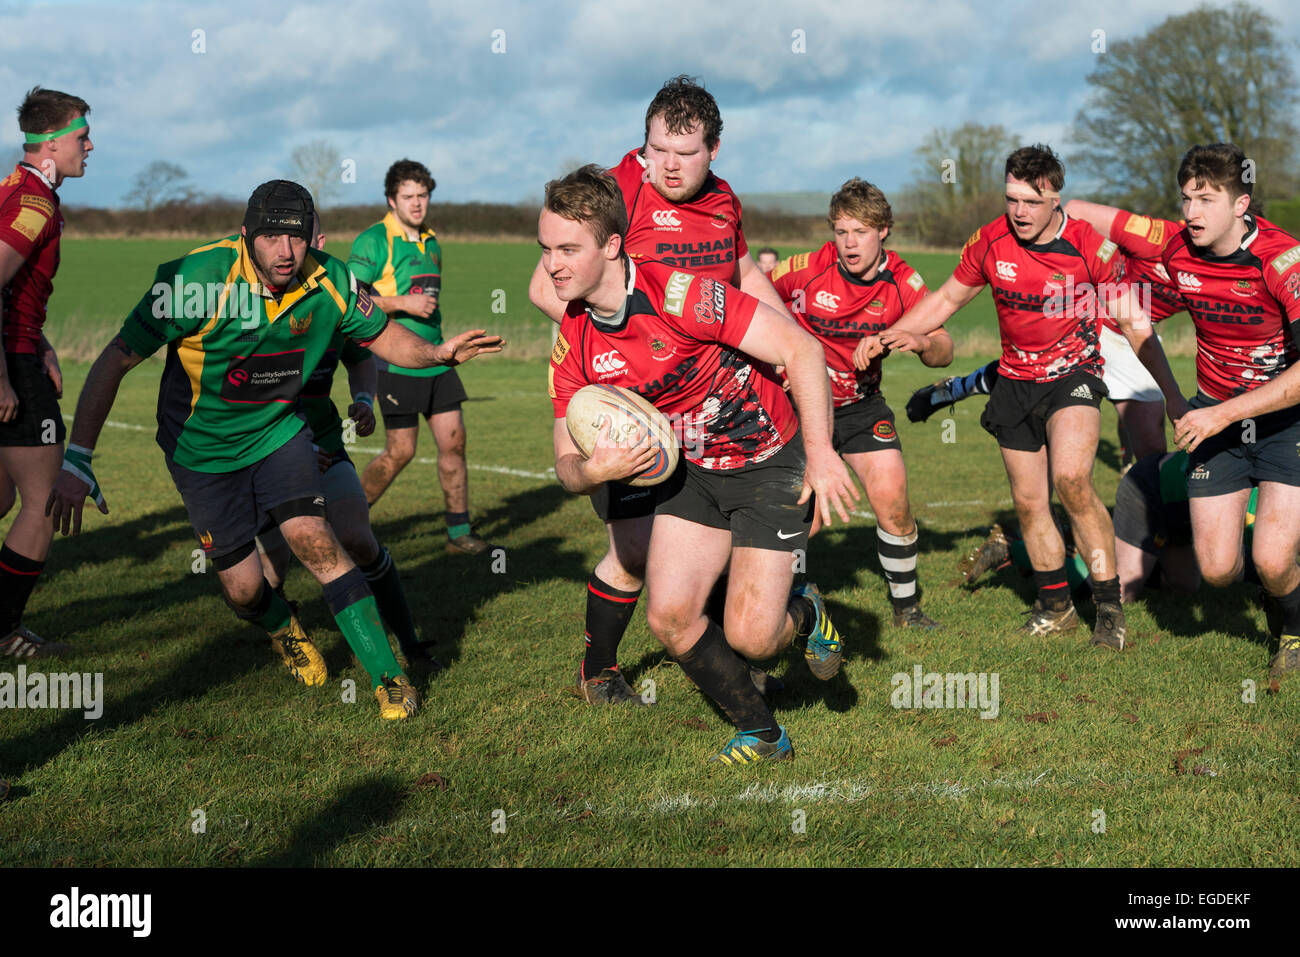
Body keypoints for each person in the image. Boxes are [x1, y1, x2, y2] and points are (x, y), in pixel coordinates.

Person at [46, 181, 503, 719]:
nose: (285, 252)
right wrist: (77, 457)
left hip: (280, 433)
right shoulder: (193, 280)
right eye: (270, 238)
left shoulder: (330, 279)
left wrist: (436, 353)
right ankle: (283, 625)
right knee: (243, 590)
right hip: (202, 449)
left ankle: (389, 678)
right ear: (246, 236)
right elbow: (114, 361)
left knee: (316, 538)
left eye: (296, 239)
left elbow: (380, 338)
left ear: (311, 236)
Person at [543, 165, 858, 764]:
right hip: (693, 475)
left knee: (754, 638)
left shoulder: (679, 294)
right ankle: (763, 734)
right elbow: (563, 462)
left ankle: (807, 607)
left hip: (768, 463)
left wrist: (820, 454)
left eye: (567, 249)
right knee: (669, 615)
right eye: (546, 249)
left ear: (611, 247)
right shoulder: (574, 339)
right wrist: (594, 471)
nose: (552, 264)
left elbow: (801, 347)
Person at [527, 76, 796, 704]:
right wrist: (627, 364)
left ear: (714, 150)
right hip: (633, 397)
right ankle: (599, 668)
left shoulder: (725, 200)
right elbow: (548, 289)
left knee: (707, 539)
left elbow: (743, 274)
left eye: (686, 152)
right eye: (658, 150)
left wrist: (787, 341)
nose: (669, 166)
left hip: (710, 404)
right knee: (636, 547)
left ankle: (742, 652)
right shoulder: (618, 190)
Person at [862, 145, 1160, 650]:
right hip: (1015, 381)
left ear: (1055, 198)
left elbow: (1133, 322)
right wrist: (891, 335)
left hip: (1074, 374)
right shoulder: (991, 240)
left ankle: (1108, 608)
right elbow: (947, 300)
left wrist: (1170, 395)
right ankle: (1056, 606)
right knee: (1028, 502)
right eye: (1011, 199)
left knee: (1071, 480)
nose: (1019, 211)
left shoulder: (1091, 247)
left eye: (1030, 201)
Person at [1130, 143, 1300, 686]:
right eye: (1185, 198)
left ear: (1241, 203)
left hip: (1283, 420)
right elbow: (1138, 323)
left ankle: (1291, 628)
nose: (1191, 212)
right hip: (1213, 414)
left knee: (1272, 560)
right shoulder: (1180, 254)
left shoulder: (1283, 261)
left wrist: (1222, 415)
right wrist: (1177, 401)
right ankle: (1278, 585)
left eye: (1206, 199)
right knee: (1221, 569)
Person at [256, 216, 437, 671]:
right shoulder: (253, 306)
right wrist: (289, 452)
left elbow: (362, 358)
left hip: (324, 441)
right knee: (266, 568)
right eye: (283, 241)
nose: (294, 251)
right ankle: (282, 626)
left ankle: (410, 646)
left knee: (356, 535)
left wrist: (362, 399)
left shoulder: (336, 297)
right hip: (263, 451)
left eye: (306, 240)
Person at [770, 178, 950, 627]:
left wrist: (917, 338)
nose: (849, 243)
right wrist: (775, 361)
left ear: (884, 230)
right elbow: (748, 302)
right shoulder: (805, 268)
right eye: (841, 231)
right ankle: (764, 603)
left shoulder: (904, 281)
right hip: (801, 408)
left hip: (861, 407)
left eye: (861, 232)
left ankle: (907, 609)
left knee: (893, 499)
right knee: (799, 516)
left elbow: (945, 348)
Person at [908, 200, 1185, 471]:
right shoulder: (1158, 236)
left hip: (1131, 339)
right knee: (1032, 381)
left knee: (1152, 453)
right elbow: (1076, 209)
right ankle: (957, 389)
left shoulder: (1224, 268)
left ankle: (1145, 499)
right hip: (1084, 319)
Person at [350, 160, 489, 556]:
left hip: (438, 359)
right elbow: (349, 301)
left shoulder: (432, 241)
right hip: (396, 361)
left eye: (422, 195)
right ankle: (345, 524)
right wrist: (401, 302)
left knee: (455, 443)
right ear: (391, 199)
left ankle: (459, 534)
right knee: (401, 452)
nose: (417, 203)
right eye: (408, 196)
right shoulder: (373, 241)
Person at [0, 87, 92, 660]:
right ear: (52, 143)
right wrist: (4, 378)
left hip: (21, 353)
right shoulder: (33, 204)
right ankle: (5, 632)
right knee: (41, 501)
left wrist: (46, 344)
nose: (91, 146)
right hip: (10, 365)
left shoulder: (13, 189)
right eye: (83, 137)